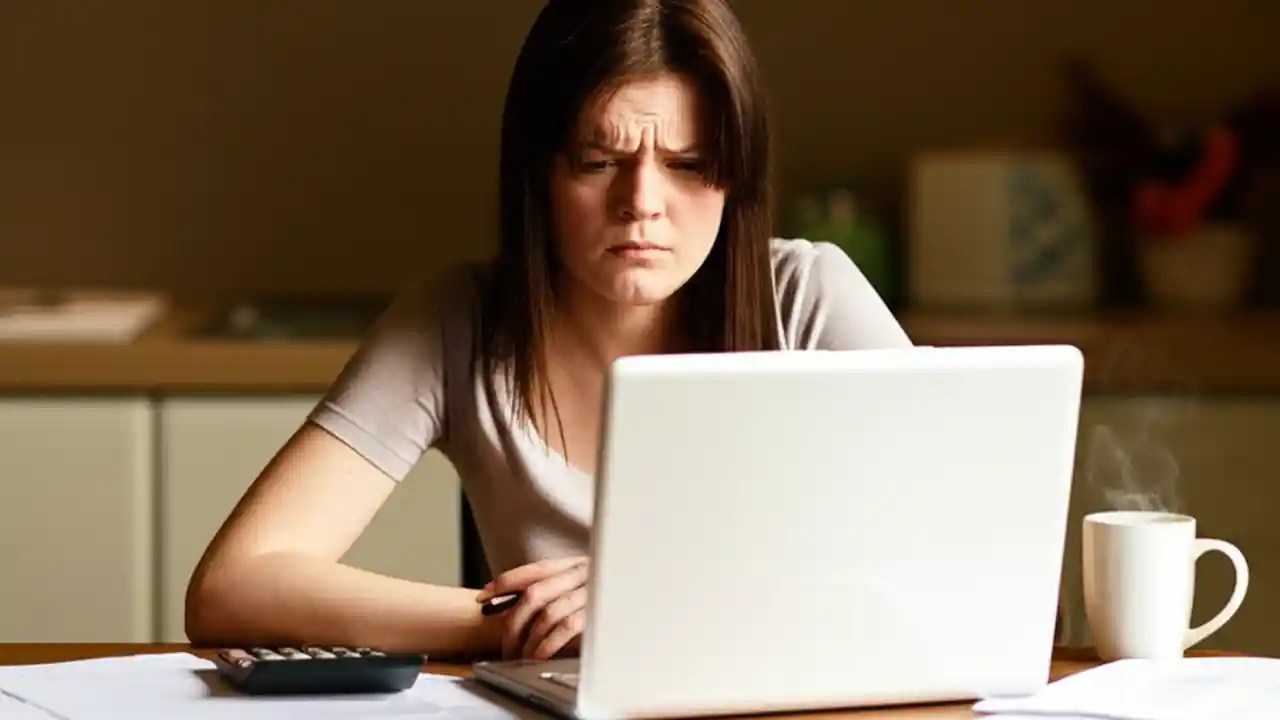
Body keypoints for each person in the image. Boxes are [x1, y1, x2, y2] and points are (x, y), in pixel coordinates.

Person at [185, 0, 912, 663]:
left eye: (688, 165)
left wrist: (647, 603)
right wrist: (512, 620)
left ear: (735, 177)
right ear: (538, 172)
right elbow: (234, 584)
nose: (642, 204)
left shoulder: (808, 298)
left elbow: (974, 548)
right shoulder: (456, 320)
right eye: (599, 162)